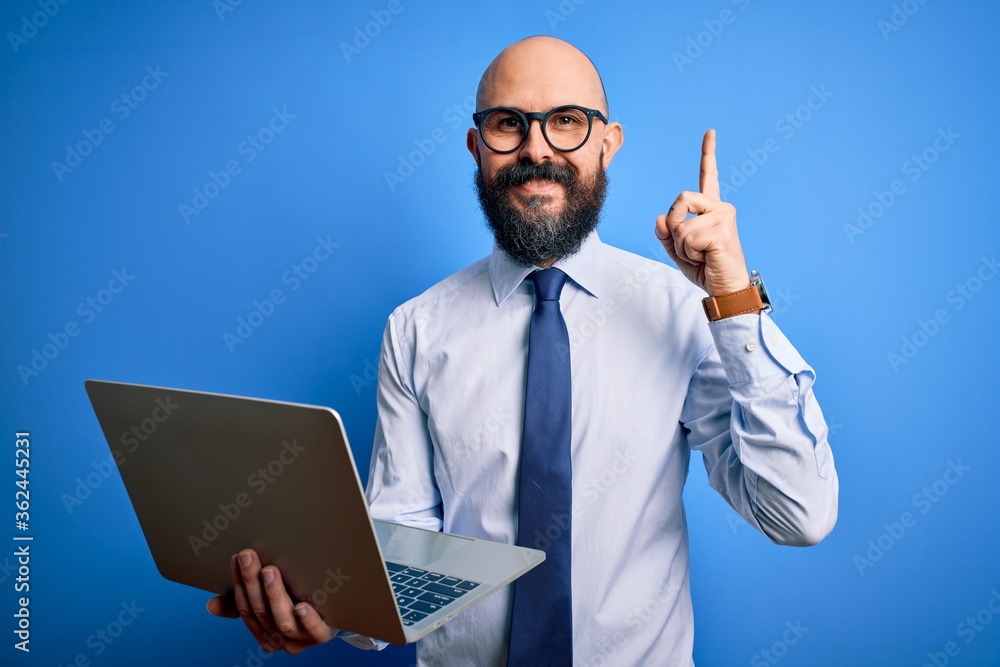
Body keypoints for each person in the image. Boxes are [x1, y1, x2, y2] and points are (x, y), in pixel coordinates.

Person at [207, 35, 839, 665]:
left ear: (607, 144)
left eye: (566, 121)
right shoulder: (416, 329)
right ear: (476, 147)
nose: (536, 148)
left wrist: (732, 300)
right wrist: (334, 609)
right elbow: (405, 545)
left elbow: (797, 513)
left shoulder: (681, 312)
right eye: (508, 124)